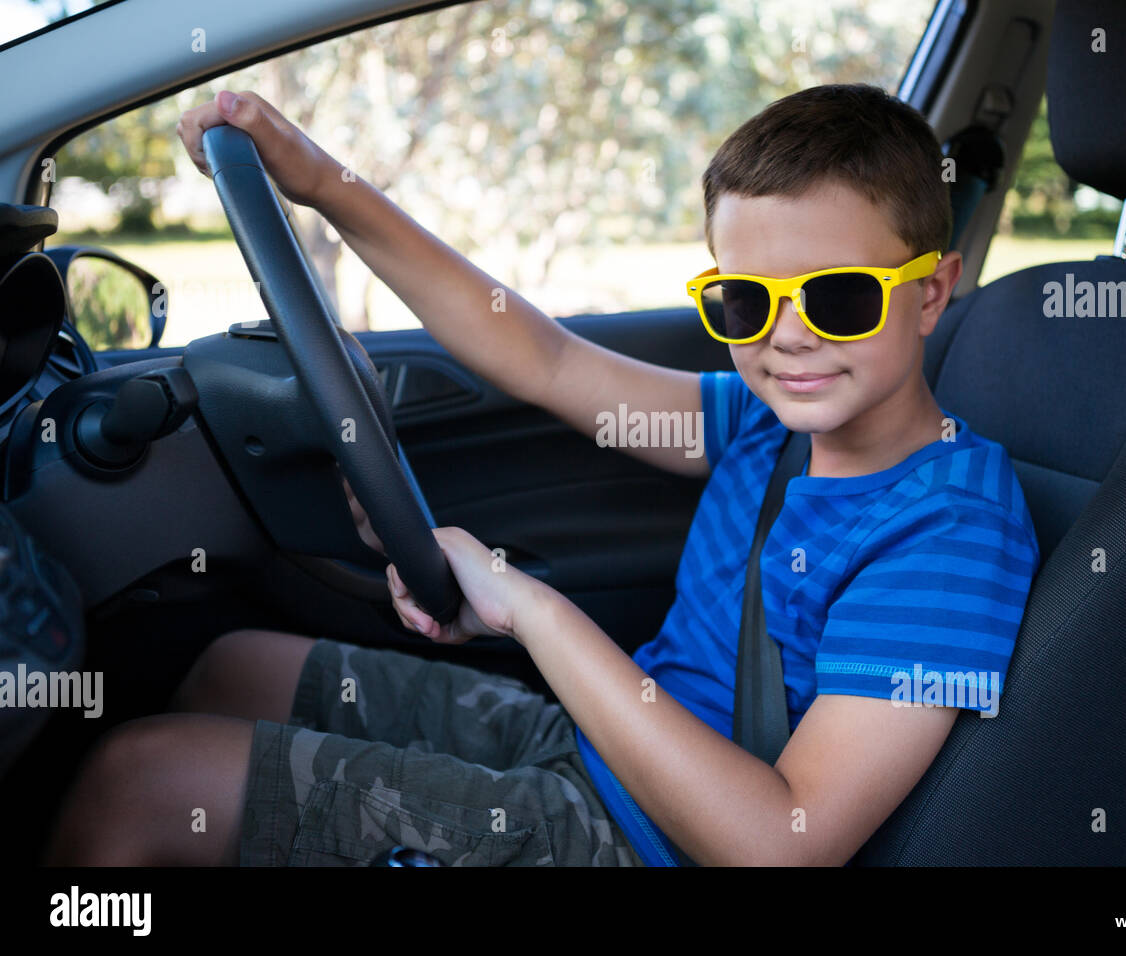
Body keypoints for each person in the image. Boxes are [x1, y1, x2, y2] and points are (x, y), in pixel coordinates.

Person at [45, 83, 1039, 866]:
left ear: (932, 293)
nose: (787, 336)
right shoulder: (757, 424)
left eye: (838, 297)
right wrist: (322, 183)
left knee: (136, 780)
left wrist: (526, 605)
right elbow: (547, 360)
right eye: (745, 300)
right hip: (600, 754)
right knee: (232, 664)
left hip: (642, 840)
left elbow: (777, 841)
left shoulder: (950, 526)